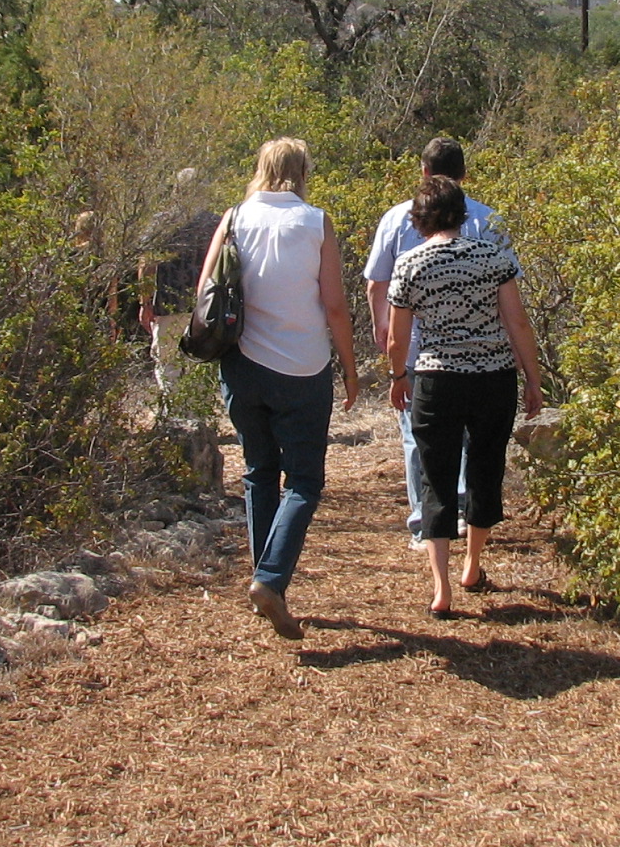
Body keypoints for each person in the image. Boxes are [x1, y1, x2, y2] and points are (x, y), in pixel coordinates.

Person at [198, 138, 360, 640]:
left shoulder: (234, 217)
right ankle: (270, 581)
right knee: (305, 482)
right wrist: (351, 369)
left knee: (259, 473)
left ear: (262, 168)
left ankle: (264, 582)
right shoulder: (315, 222)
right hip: (303, 368)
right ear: (303, 171)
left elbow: (205, 287)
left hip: (241, 365)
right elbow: (334, 305)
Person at [384, 174, 543, 619]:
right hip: (493, 377)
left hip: (437, 380)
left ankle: (441, 587)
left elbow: (398, 338)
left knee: (437, 476)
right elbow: (518, 324)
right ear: (462, 213)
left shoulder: (410, 264)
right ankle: (472, 564)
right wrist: (532, 378)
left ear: (421, 218)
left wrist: (398, 376)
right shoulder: (493, 258)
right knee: (485, 467)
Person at [364, 138, 492, 548]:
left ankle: (425, 521)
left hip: (418, 348)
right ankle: (465, 515)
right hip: (478, 351)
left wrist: (383, 329)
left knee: (416, 434)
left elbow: (376, 283)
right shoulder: (487, 220)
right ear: (464, 174)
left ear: (423, 171)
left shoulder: (397, 218)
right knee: (471, 435)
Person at [136, 168, 221, 405]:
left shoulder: (162, 222)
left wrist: (145, 303)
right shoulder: (215, 224)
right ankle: (196, 416)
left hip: (168, 304)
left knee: (167, 361)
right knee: (197, 363)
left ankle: (174, 416)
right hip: (204, 306)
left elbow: (146, 264)